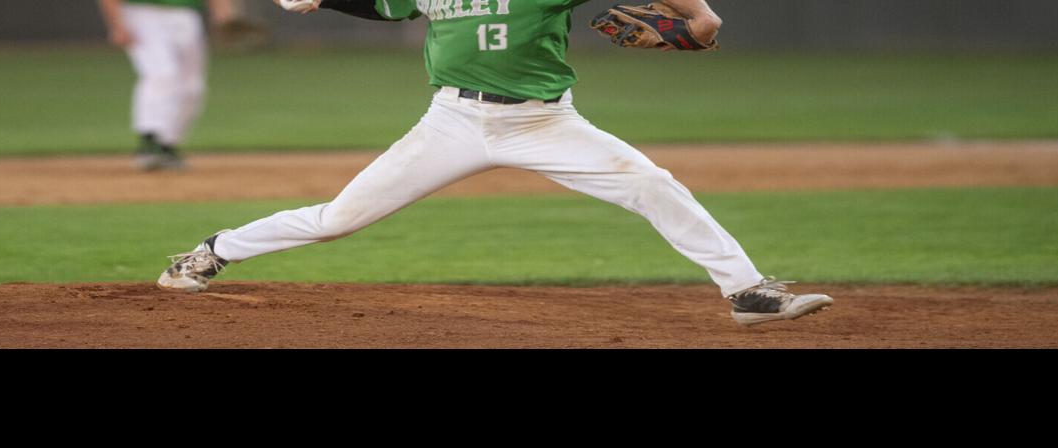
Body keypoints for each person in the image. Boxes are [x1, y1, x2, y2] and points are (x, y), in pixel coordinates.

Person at [156, 0, 833, 327]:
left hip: (546, 122)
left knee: (652, 183)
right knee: (339, 219)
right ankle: (212, 251)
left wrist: (703, 16)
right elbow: (387, 8)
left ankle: (747, 292)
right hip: (451, 121)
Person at [98, 0, 236, 171]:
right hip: (142, 13)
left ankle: (168, 144)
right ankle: (150, 141)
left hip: (186, 14)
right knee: (162, 75)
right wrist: (117, 25)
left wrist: (224, 16)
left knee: (192, 87)